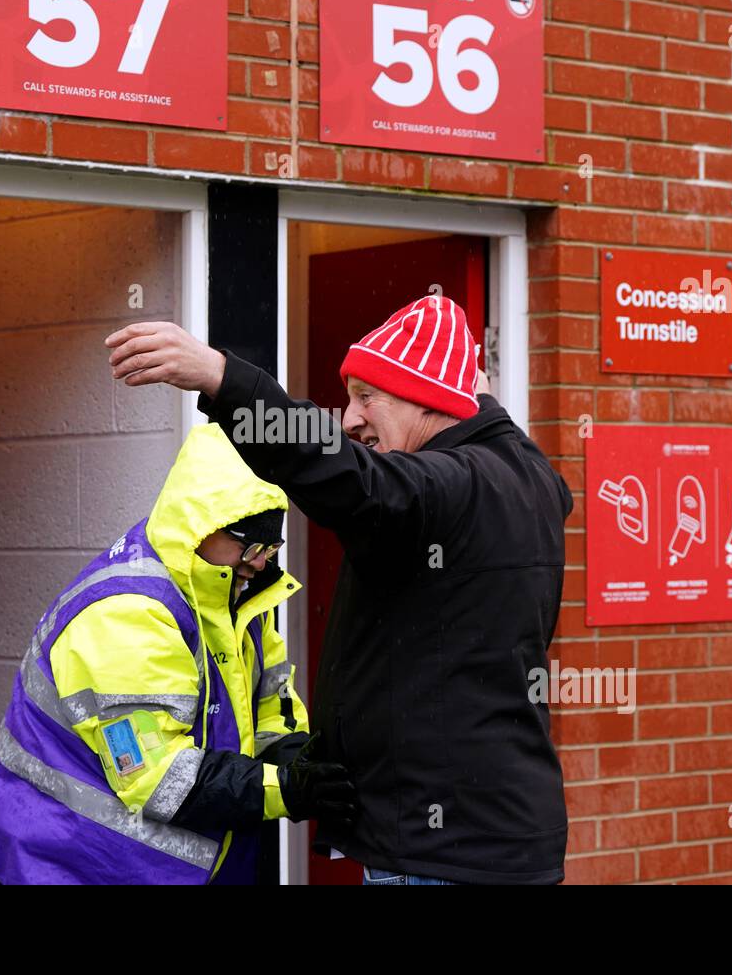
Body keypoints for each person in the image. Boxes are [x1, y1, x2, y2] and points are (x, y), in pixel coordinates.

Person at [106, 295, 573, 885]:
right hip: (484, 843)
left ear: (428, 397)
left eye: (366, 397)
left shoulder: (456, 485)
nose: (348, 419)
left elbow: (350, 479)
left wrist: (225, 380)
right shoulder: (518, 476)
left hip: (441, 857)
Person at [0, 424, 356, 884]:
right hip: (71, 865)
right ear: (200, 527)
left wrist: (295, 754)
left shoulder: (233, 590)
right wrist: (290, 790)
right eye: (250, 545)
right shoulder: (128, 614)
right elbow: (157, 779)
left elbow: (268, 705)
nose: (260, 562)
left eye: (271, 545)